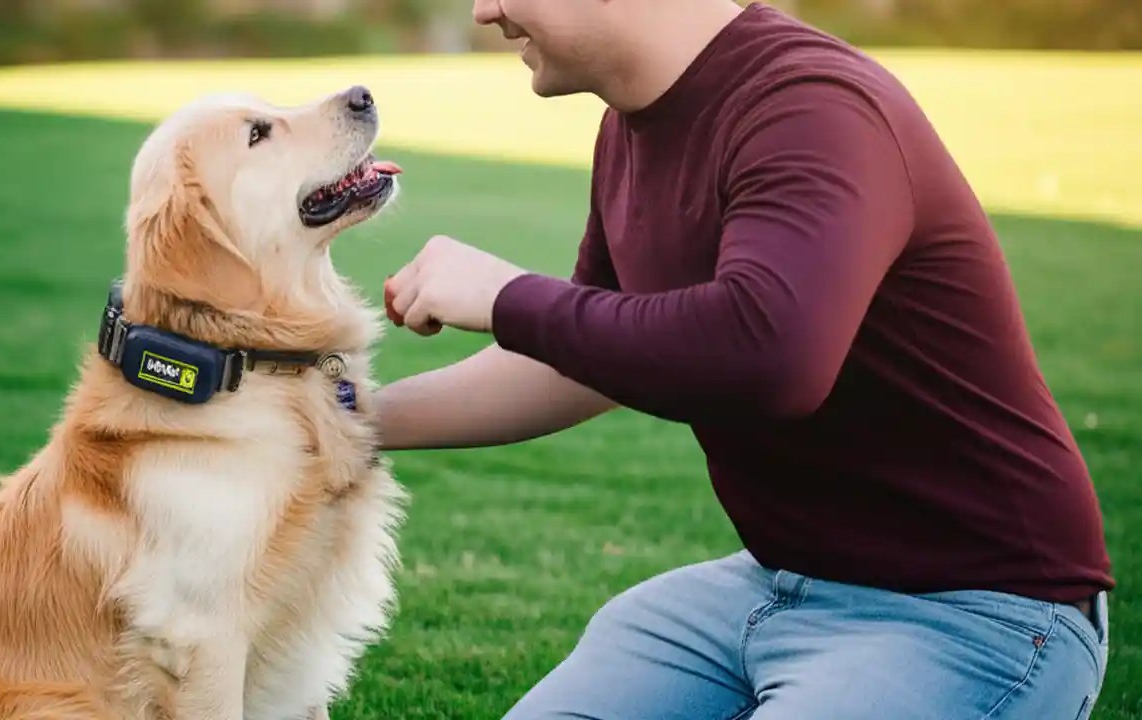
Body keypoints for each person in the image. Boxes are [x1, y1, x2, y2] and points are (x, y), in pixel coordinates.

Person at [376, 0, 1113, 717]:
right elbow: (583, 357)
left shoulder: (811, 107)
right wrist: (347, 418)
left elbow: (772, 355)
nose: (483, 11)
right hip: (770, 587)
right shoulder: (629, 127)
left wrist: (507, 297)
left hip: (976, 614)